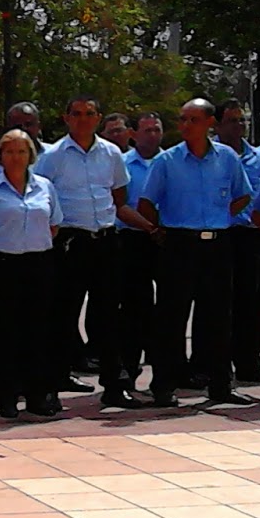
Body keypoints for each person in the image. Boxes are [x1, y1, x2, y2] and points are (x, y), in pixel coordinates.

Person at [138, 98, 254, 408]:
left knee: (217, 318)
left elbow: (243, 195)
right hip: (179, 244)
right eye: (182, 119)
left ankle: (219, 385)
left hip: (217, 244)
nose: (185, 126)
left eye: (192, 119)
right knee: (171, 317)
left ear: (209, 124)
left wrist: (220, 216)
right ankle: (163, 386)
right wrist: (160, 229)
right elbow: (146, 203)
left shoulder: (227, 158)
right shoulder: (167, 160)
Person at [34, 95, 148, 409]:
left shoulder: (112, 153)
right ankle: (50, 385)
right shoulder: (52, 156)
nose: (83, 119)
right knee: (62, 315)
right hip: (71, 241)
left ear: (98, 117)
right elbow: (40, 197)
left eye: (90, 113)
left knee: (110, 316)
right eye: (77, 114)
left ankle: (115, 385)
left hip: (106, 240)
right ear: (66, 118)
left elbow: (119, 194)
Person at [0, 130, 63, 418]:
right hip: (3, 265)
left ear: (31, 156)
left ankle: (37, 396)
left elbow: (54, 224)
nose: (16, 157)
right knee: (8, 333)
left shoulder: (45, 187)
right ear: (0, 156)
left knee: (39, 333)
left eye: (22, 151)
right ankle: (7, 397)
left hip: (39, 264)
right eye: (9, 151)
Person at [217, 100, 260, 381]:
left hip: (251, 236)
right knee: (219, 303)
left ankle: (249, 363)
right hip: (220, 235)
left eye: (243, 120)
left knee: (253, 302)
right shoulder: (211, 155)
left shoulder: (257, 158)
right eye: (233, 120)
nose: (240, 126)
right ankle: (214, 365)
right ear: (218, 124)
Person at [119, 113, 166, 388]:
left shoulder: (171, 161)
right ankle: (127, 370)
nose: (152, 135)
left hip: (167, 241)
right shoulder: (122, 165)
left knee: (168, 309)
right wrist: (150, 227)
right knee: (134, 310)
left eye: (157, 129)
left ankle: (166, 373)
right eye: (147, 130)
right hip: (133, 240)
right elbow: (119, 204)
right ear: (133, 134)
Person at [0, 102, 43, 181]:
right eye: (17, 126)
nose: (24, 129)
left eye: (29, 124)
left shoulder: (53, 154)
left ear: (39, 126)